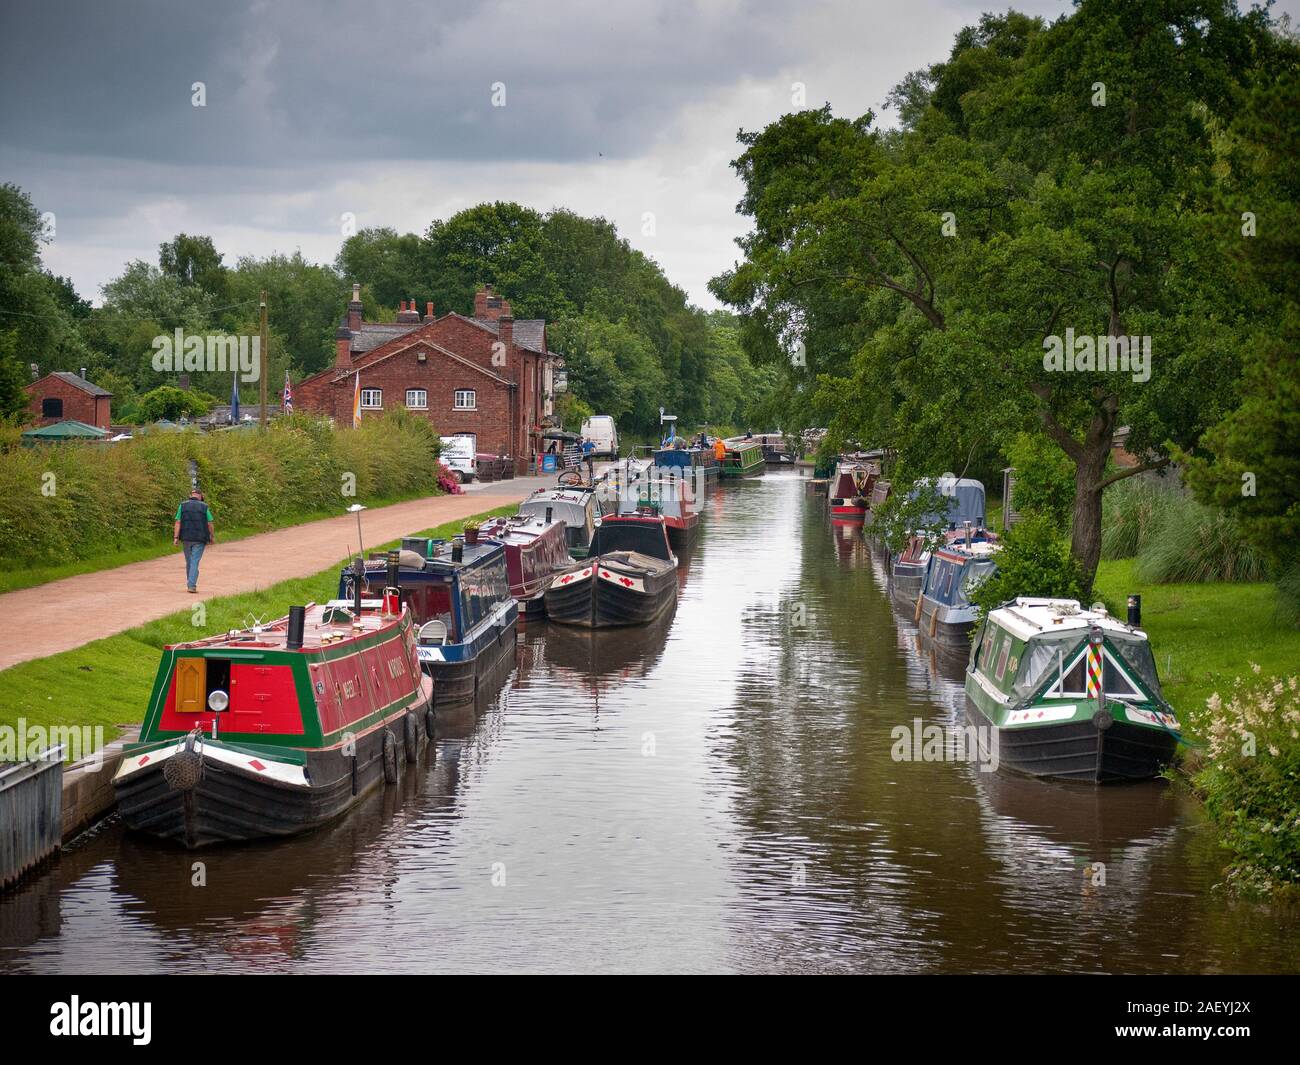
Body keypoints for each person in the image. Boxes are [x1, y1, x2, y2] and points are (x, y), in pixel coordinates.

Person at [173, 489, 214, 593]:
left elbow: (178, 522)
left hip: (186, 538)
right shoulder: (204, 506)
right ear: (200, 496)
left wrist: (176, 537)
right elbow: (210, 523)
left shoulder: (182, 505)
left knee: (189, 562)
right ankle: (191, 585)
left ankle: (190, 583)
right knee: (194, 561)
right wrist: (211, 536)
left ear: (191, 495)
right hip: (200, 539)